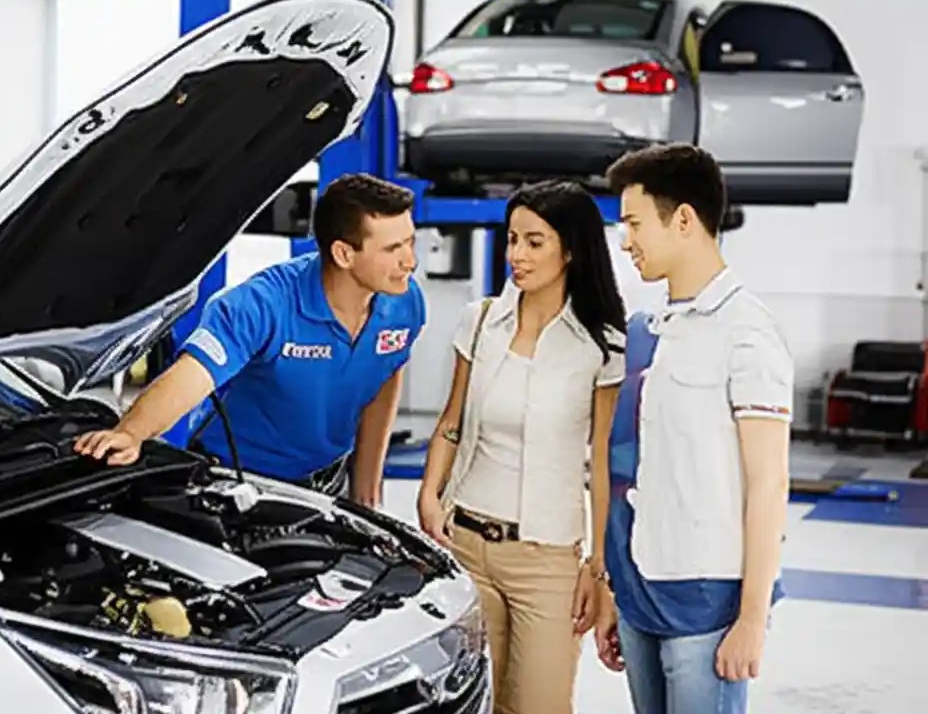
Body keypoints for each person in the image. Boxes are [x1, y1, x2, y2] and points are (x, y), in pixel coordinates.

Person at [73, 173, 425, 506]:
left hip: (327, 479)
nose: (411, 261)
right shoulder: (261, 304)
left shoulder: (404, 302)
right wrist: (132, 433)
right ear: (344, 254)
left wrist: (365, 484)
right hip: (238, 480)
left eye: (411, 241)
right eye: (393, 248)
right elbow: (192, 375)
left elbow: (385, 372)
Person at [594, 143, 793, 714]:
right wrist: (613, 589)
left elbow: (768, 484)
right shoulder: (651, 330)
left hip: (705, 604)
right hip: (639, 594)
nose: (625, 240)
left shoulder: (747, 333)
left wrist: (752, 619)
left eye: (633, 223)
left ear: (682, 219)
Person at [417, 180, 627, 714]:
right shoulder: (482, 320)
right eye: (513, 239)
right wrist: (427, 494)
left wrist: (599, 569)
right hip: (465, 544)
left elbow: (600, 461)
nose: (516, 255)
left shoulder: (602, 345)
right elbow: (451, 421)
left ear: (571, 250)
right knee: (468, 703)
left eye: (535, 242)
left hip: (548, 561)